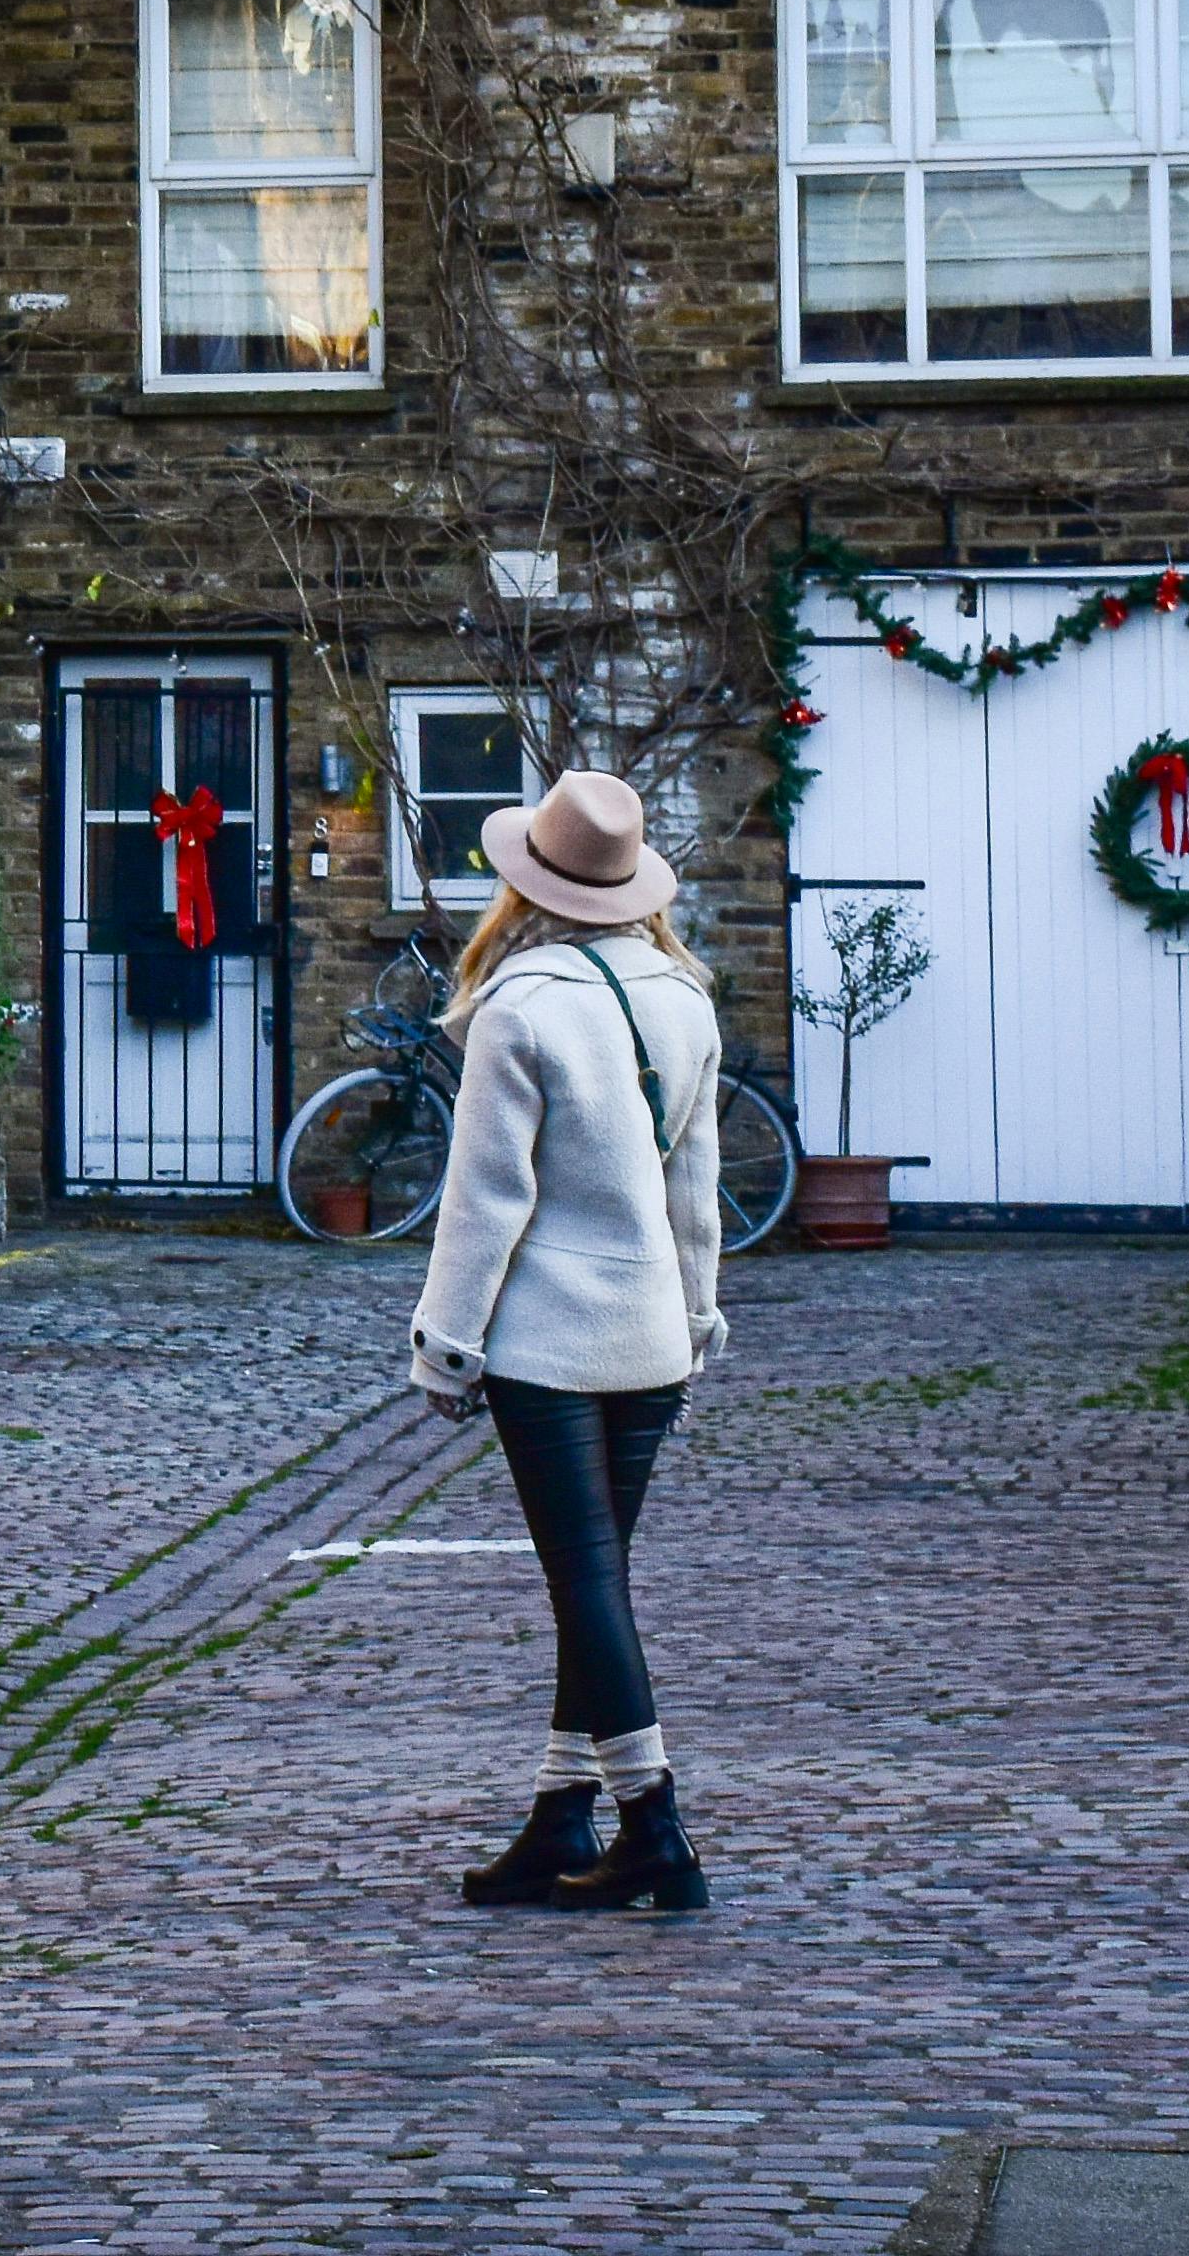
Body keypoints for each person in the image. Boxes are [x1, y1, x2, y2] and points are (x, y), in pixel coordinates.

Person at [407, 766, 729, 1916]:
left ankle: (656, 1824)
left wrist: (446, 1344)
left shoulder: (522, 1006)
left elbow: (484, 1194)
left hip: (546, 1342)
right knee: (593, 1583)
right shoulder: (686, 1001)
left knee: (585, 1581)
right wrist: (696, 1315)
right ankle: (560, 1815)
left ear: (526, 883)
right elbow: (697, 1184)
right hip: (649, 1338)